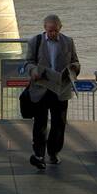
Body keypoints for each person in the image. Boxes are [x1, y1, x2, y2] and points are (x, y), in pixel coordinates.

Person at [25, 15, 80, 171]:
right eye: (50, 31)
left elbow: (75, 61)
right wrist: (33, 70)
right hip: (41, 88)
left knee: (59, 124)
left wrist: (75, 68)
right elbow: (28, 62)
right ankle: (39, 156)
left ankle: (54, 152)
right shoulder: (35, 41)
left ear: (60, 28)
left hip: (61, 89)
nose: (52, 34)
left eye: (55, 31)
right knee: (40, 123)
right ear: (44, 28)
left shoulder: (68, 42)